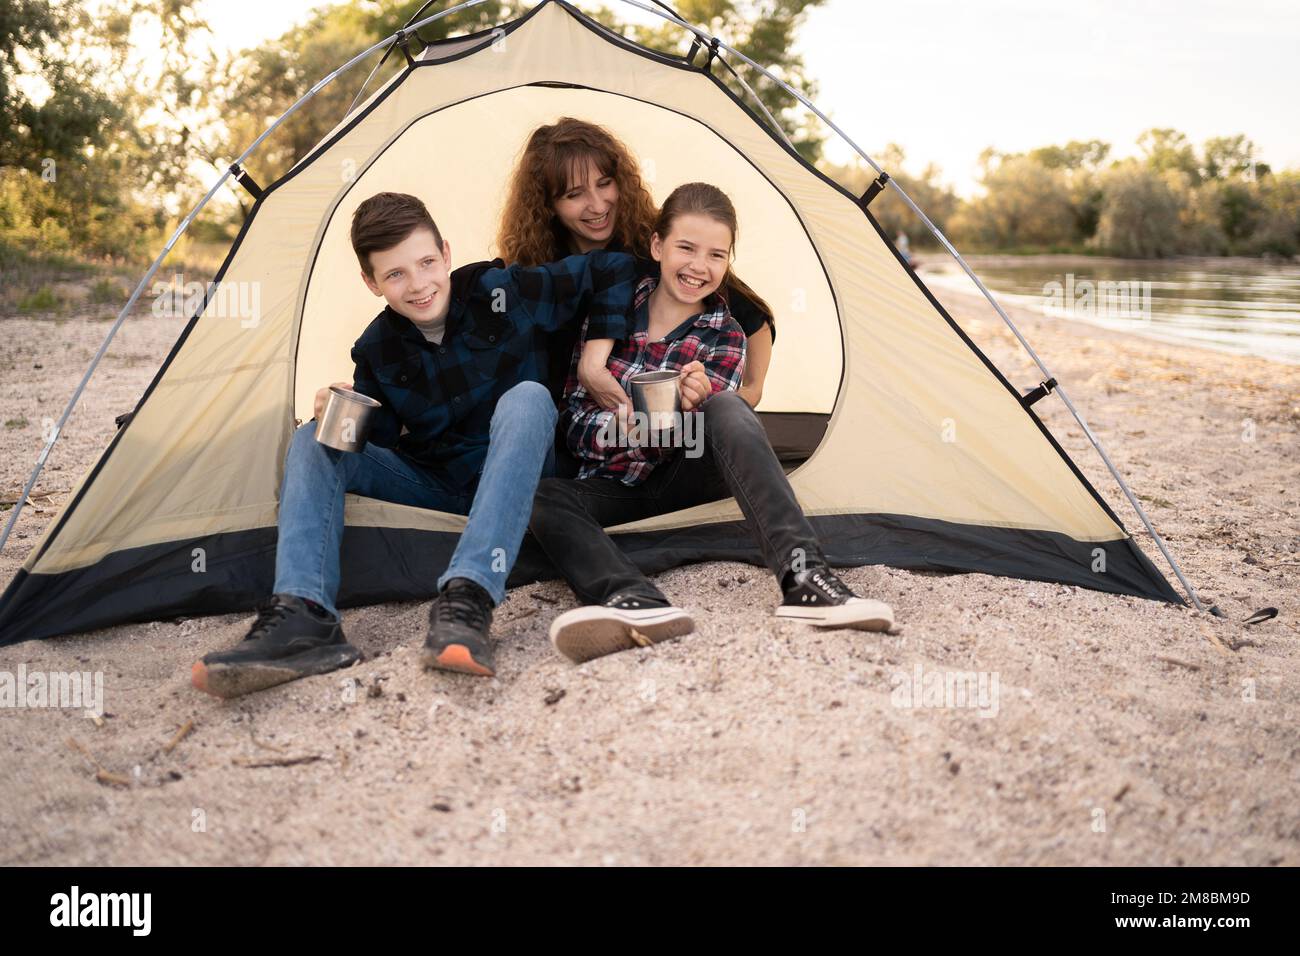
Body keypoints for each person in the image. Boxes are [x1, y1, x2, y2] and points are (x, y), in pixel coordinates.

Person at [190, 191, 635, 697]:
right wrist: (335, 409)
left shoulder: (502, 288)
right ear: (371, 282)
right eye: (396, 274)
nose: (419, 284)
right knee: (317, 437)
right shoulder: (376, 348)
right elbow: (372, 444)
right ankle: (304, 616)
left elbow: (615, 268)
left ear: (445, 253)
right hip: (438, 483)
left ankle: (467, 599)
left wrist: (592, 362)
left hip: (525, 475)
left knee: (529, 396)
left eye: (426, 263)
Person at [528, 183, 896, 665]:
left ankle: (806, 579)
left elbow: (713, 436)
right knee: (542, 495)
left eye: (716, 255)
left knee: (727, 407)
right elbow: (574, 422)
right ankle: (633, 599)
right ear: (658, 247)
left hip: (684, 475)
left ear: (727, 262)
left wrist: (689, 411)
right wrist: (618, 427)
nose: (699, 266)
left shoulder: (725, 334)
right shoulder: (612, 309)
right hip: (613, 484)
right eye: (686, 248)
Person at [496, 117, 775, 412]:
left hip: (650, 425)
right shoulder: (541, 265)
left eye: (605, 184)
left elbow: (754, 319)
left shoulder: (656, 248)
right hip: (570, 421)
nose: (598, 205)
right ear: (547, 204)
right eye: (575, 194)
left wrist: (752, 391)